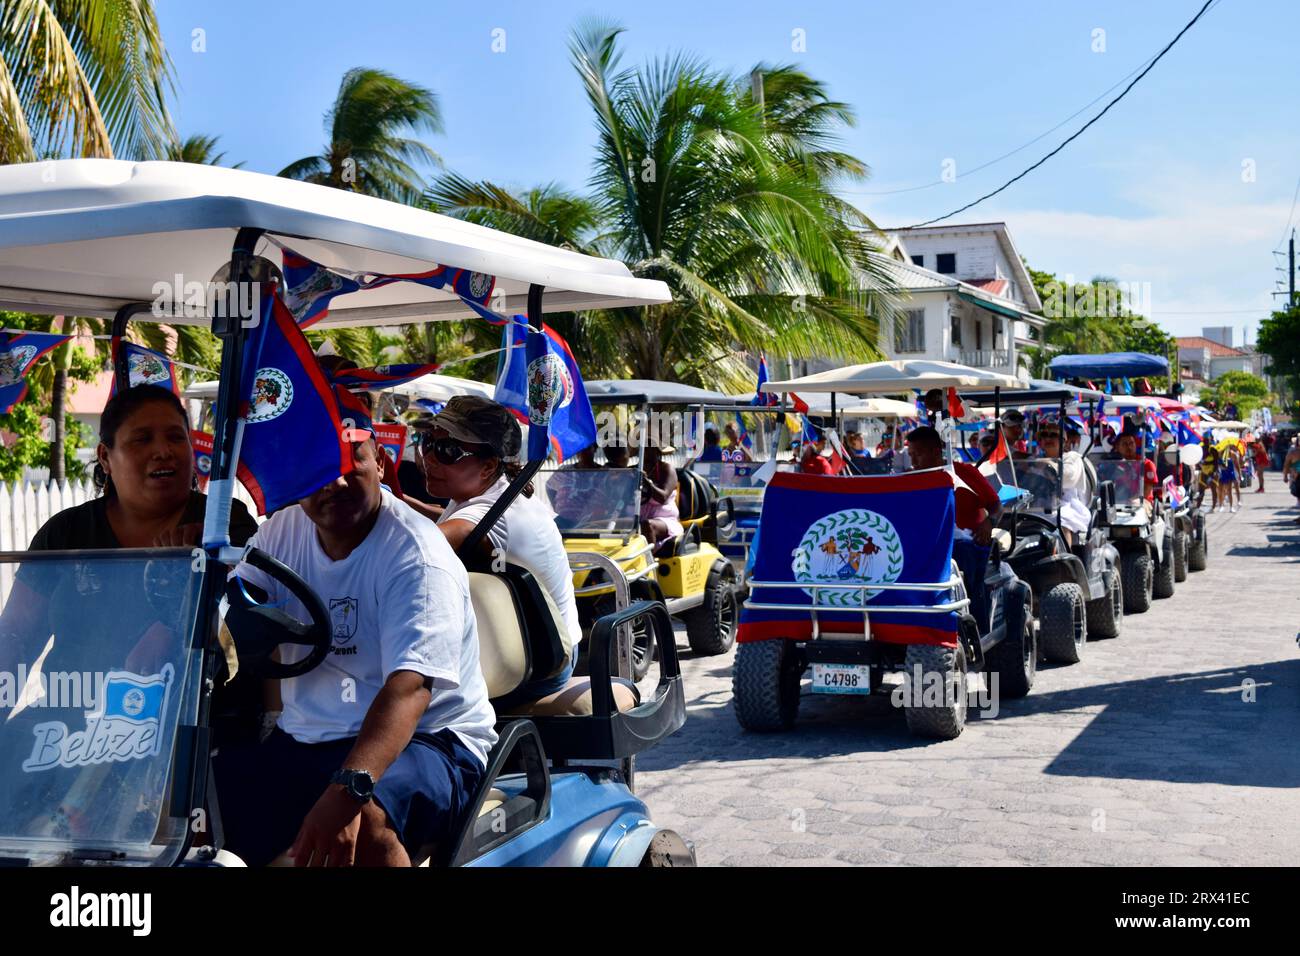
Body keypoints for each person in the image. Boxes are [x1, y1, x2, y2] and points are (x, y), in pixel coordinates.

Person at [214, 419, 497, 868]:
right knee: (203, 802)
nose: (336, 482)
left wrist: (348, 789)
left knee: (368, 820)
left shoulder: (417, 556)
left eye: (352, 462)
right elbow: (224, 611)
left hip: (431, 740)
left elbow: (410, 690)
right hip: (309, 737)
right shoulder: (277, 535)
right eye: (318, 471)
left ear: (380, 464)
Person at [18, 385, 263, 743]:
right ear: (105, 456)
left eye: (175, 438)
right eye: (142, 439)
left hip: (189, 737)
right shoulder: (66, 532)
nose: (163, 451)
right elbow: (16, 637)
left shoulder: (223, 524)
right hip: (68, 733)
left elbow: (238, 607)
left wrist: (173, 624)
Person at [416, 396, 583, 711]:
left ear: (489, 465)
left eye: (447, 451)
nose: (429, 458)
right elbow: (441, 516)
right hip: (532, 649)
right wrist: (393, 500)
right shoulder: (490, 490)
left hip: (539, 667)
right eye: (428, 442)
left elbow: (412, 553)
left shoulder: (489, 517)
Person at [906, 426, 1000, 545]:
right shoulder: (911, 480)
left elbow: (997, 506)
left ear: (936, 452)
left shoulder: (965, 472)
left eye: (918, 455)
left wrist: (988, 523)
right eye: (910, 455)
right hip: (929, 544)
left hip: (969, 544)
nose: (913, 462)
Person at [1036, 421, 1090, 547]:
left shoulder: (1072, 457)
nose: (1048, 439)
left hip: (1064, 504)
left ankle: (1065, 560)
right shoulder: (1034, 460)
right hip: (1038, 505)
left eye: (1054, 435)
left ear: (1064, 441)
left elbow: (1068, 477)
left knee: (1062, 520)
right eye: (1044, 435)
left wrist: (1046, 465)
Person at [639, 443, 682, 549]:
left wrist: (647, 483)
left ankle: (648, 562)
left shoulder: (667, 469)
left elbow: (663, 497)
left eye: (650, 447)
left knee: (646, 525)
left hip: (665, 520)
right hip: (638, 518)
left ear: (657, 450)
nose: (646, 450)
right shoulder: (635, 469)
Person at [1115, 426, 1158, 512]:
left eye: (1131, 443)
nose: (1129, 447)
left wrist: (1133, 500)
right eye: (1125, 444)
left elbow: (1147, 490)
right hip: (1120, 502)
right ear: (1117, 447)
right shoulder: (1115, 465)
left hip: (1143, 502)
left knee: (1135, 505)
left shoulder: (1147, 464)